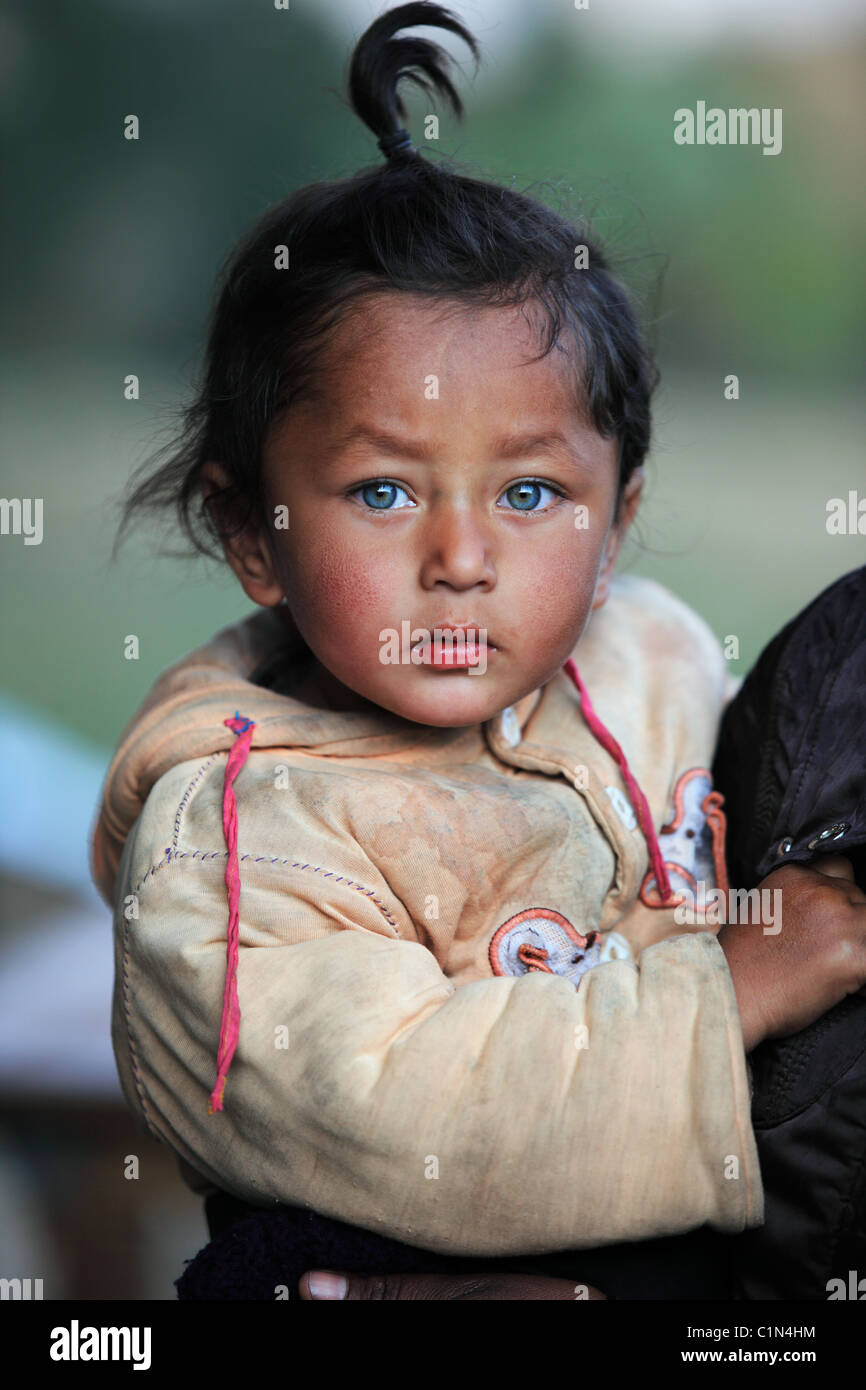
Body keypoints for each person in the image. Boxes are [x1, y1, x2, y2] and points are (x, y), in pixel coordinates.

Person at [90, 3, 866, 1300]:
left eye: (526, 495)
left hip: (723, 1205)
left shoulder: (654, 654)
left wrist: (791, 917)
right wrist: (724, 996)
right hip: (390, 1248)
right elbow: (398, 1109)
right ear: (253, 532)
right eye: (385, 492)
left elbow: (742, 847)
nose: (462, 556)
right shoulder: (233, 839)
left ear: (615, 521)